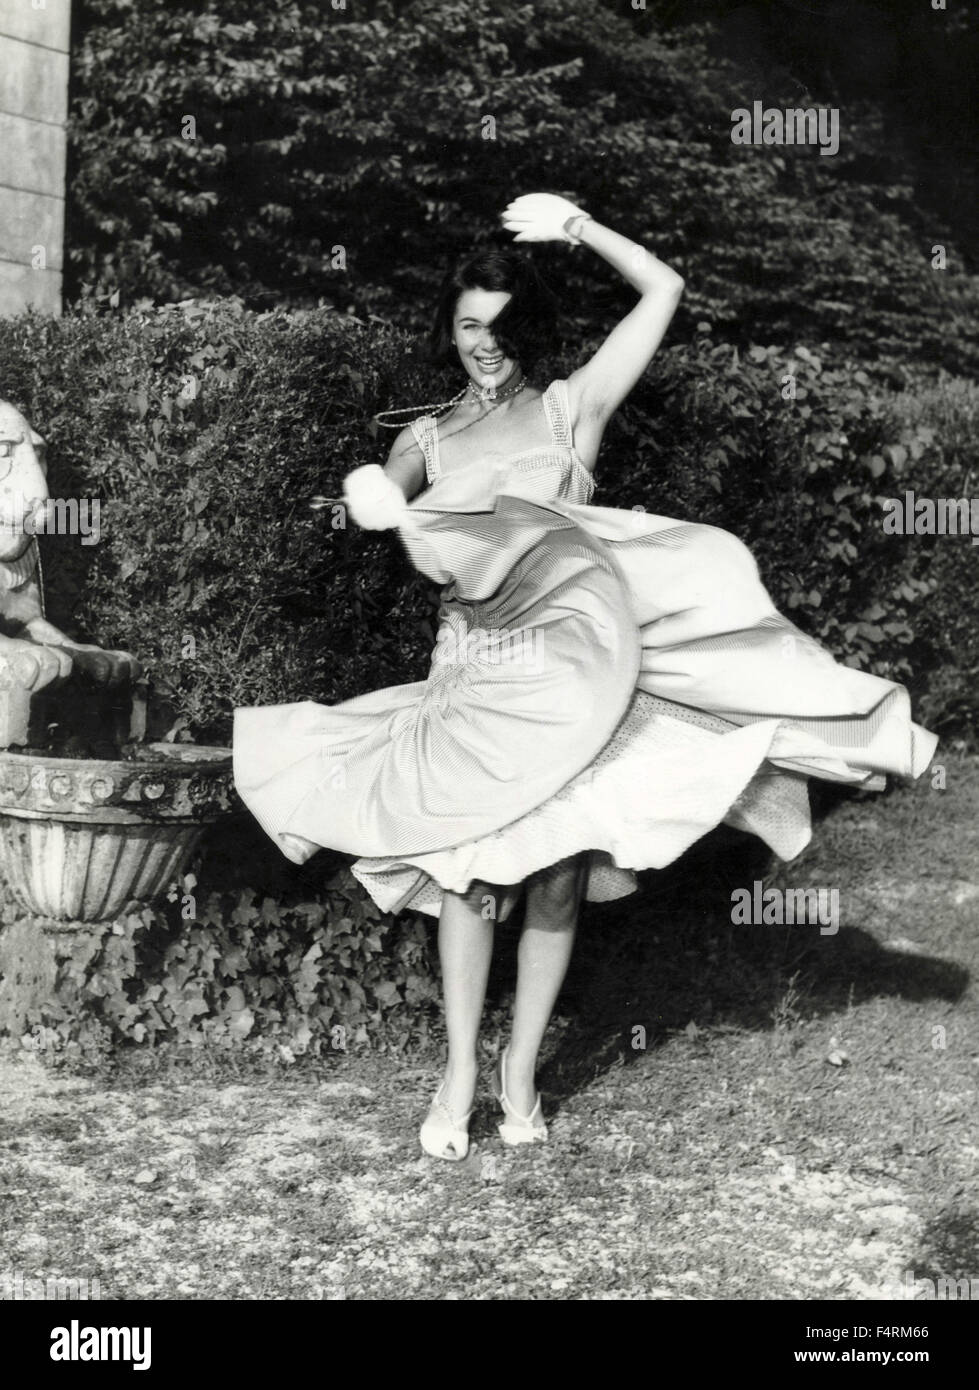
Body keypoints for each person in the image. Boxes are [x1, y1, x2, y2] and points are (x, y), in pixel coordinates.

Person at [233, 193, 937, 1162]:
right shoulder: (425, 439)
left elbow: (665, 289)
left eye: (504, 323)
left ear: (533, 323)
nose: (486, 344)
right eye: (469, 325)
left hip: (579, 687)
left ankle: (520, 1069)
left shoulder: (574, 408)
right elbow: (396, 517)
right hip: (477, 685)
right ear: (449, 329)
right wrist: (375, 504)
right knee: (472, 880)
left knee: (557, 883)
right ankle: (460, 1074)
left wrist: (580, 229)